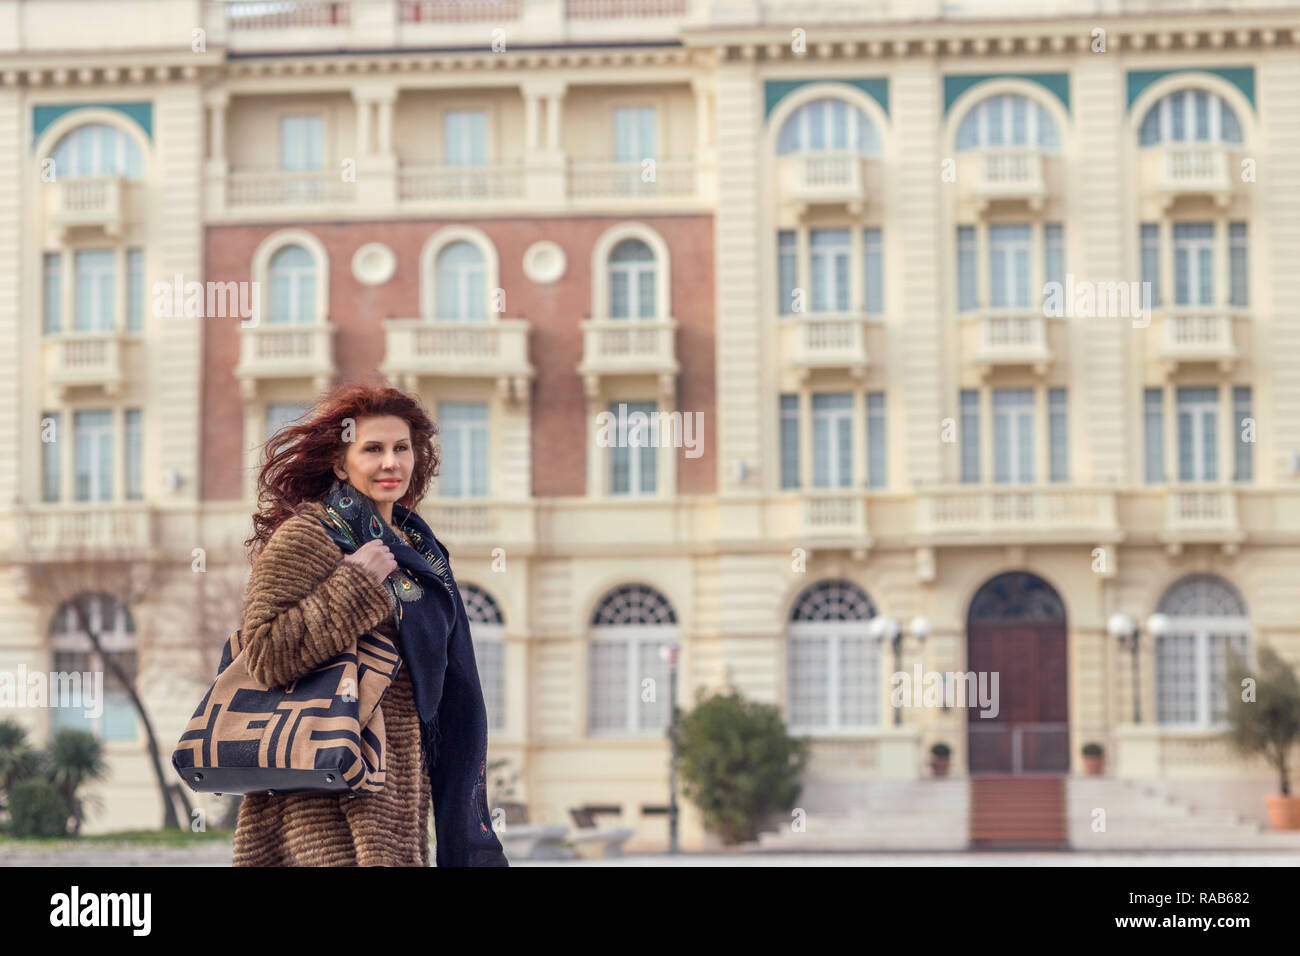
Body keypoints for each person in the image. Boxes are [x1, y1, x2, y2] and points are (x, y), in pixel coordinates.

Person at [231, 381, 506, 866]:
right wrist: (356, 584)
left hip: (397, 795)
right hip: (318, 807)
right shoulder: (309, 535)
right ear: (341, 463)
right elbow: (264, 654)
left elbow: (446, 687)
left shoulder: (420, 550)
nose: (390, 463)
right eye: (372, 449)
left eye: (402, 448)